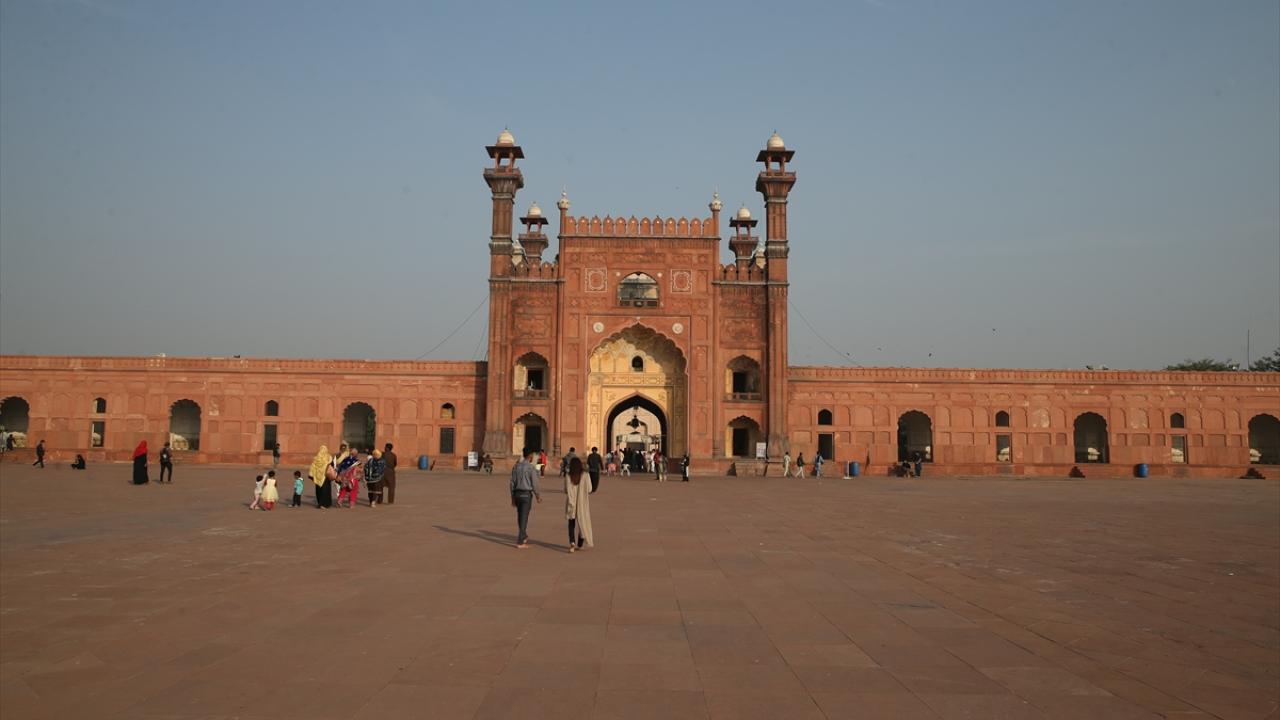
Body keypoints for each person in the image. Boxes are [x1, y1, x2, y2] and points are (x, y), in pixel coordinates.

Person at [509, 448, 542, 548]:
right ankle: (520, 541)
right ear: (530, 456)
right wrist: (538, 496)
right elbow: (535, 483)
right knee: (524, 516)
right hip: (526, 494)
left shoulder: (516, 466)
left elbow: (511, 483)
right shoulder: (531, 468)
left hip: (517, 493)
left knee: (520, 516)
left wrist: (512, 498)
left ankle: (523, 535)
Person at [565, 455, 594, 553]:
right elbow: (590, 489)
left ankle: (572, 543)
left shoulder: (568, 476)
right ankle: (580, 544)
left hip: (571, 502)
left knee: (571, 524)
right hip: (582, 503)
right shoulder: (585, 475)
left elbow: (566, 490)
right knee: (582, 522)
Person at [310, 445, 334, 509]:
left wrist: (311, 475)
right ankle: (325, 504)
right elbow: (332, 466)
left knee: (319, 490)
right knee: (326, 490)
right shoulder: (329, 457)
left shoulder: (317, 458)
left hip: (318, 477)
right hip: (326, 477)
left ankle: (320, 503)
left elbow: (313, 467)